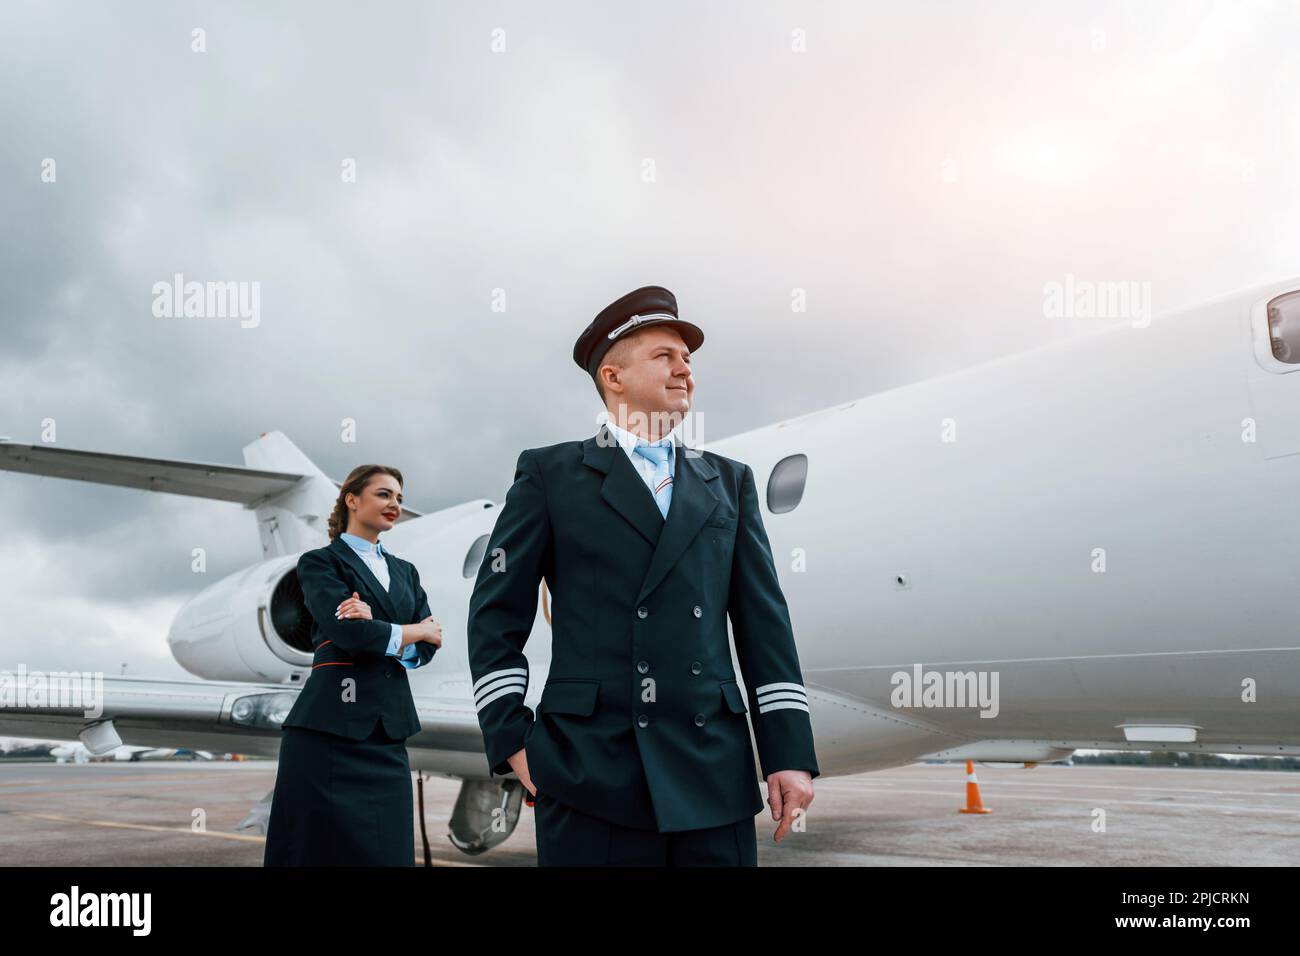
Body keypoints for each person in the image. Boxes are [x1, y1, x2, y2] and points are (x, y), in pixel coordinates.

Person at [467, 285, 819, 866]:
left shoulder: (729, 481)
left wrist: (788, 752)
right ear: (613, 376)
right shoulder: (550, 474)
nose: (685, 370)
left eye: (688, 360)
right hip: (590, 774)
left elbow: (765, 626)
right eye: (665, 356)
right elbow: (495, 613)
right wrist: (511, 742)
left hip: (713, 774)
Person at [264, 464, 443, 866]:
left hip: (387, 735)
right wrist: (413, 630)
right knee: (312, 854)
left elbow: (430, 647)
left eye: (398, 497)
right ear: (351, 499)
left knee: (389, 853)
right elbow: (350, 636)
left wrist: (385, 629)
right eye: (383, 494)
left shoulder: (406, 572)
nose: (394, 503)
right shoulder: (319, 563)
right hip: (326, 736)